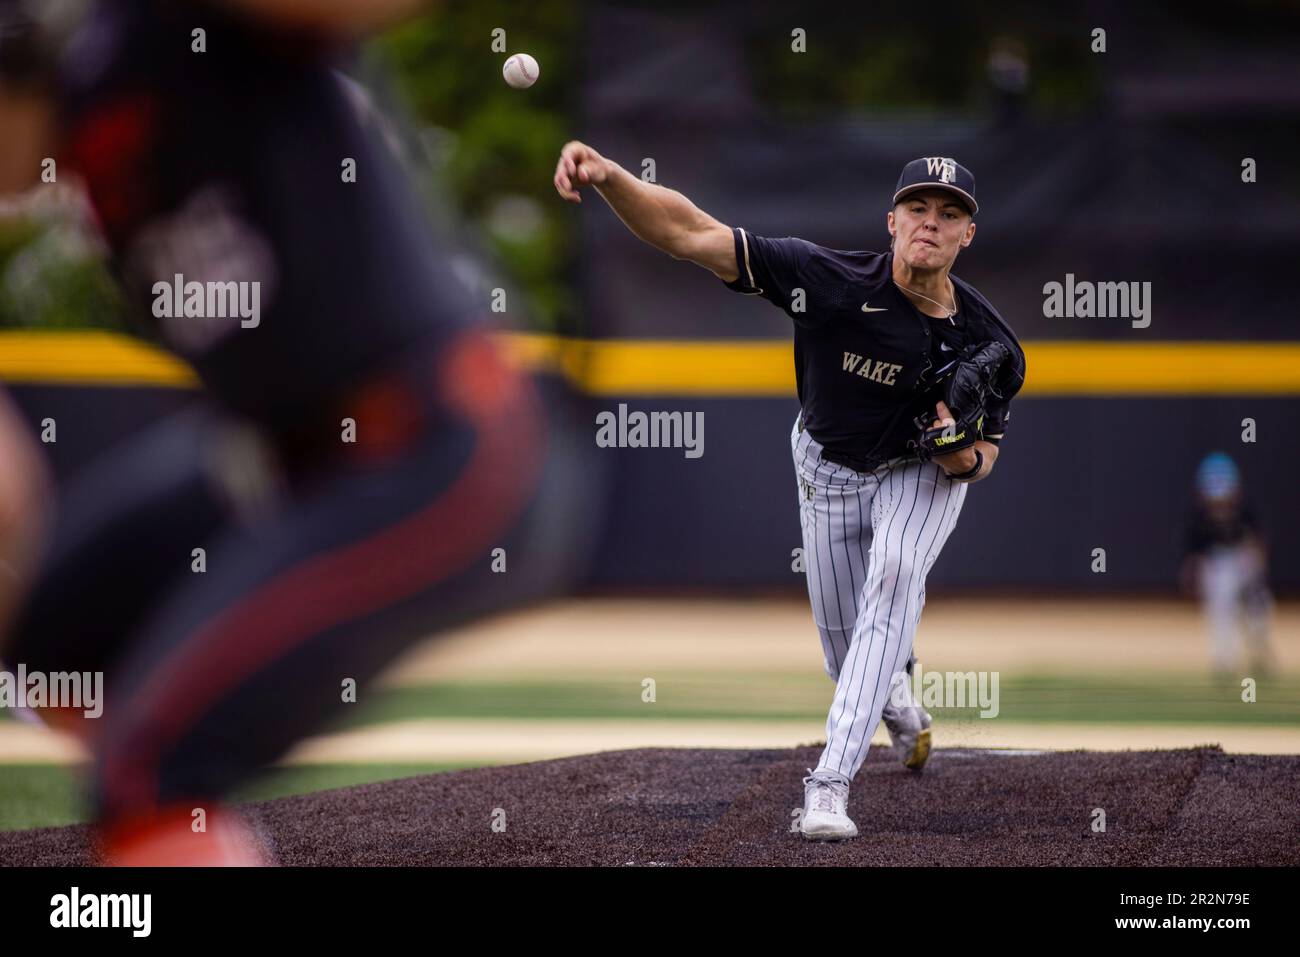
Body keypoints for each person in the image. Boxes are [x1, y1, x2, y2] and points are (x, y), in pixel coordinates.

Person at [0, 0, 553, 864]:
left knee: (149, 768)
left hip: (432, 447)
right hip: (279, 457)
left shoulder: (163, 39)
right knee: (51, 633)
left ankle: (162, 800)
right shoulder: (92, 115)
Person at [555, 143, 1025, 841]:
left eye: (949, 213)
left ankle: (828, 786)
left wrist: (958, 451)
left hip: (915, 471)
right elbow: (689, 234)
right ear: (891, 221)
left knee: (895, 576)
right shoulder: (828, 279)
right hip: (828, 467)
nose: (932, 221)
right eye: (917, 207)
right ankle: (895, 695)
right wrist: (611, 178)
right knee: (845, 653)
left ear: (968, 234)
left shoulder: (991, 343)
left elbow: (981, 458)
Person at [1181, 453, 1274, 679]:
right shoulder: (1200, 517)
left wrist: (1256, 569)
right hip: (1217, 565)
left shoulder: (1244, 510)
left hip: (1242, 562)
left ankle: (1259, 652)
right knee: (1220, 608)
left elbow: (1257, 542)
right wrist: (1192, 573)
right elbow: (1195, 554)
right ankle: (1225, 661)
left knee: (1257, 610)